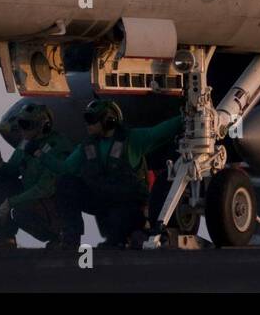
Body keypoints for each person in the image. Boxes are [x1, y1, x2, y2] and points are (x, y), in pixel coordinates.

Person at [56, 100, 182, 249]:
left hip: (127, 203)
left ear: (109, 120)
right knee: (66, 182)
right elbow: (64, 169)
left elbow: (160, 132)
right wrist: (40, 154)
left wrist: (186, 117)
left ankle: (136, 232)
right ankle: (72, 237)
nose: (87, 124)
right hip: (101, 200)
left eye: (91, 119)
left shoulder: (133, 140)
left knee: (117, 235)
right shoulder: (88, 146)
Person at [0, 102, 73, 250]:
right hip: (32, 198)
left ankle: (60, 235)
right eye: (20, 124)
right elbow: (12, 171)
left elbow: (45, 188)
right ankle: (5, 236)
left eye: (26, 125)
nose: (21, 129)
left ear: (43, 126)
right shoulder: (25, 144)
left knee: (21, 212)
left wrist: (11, 202)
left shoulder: (57, 146)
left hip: (49, 203)